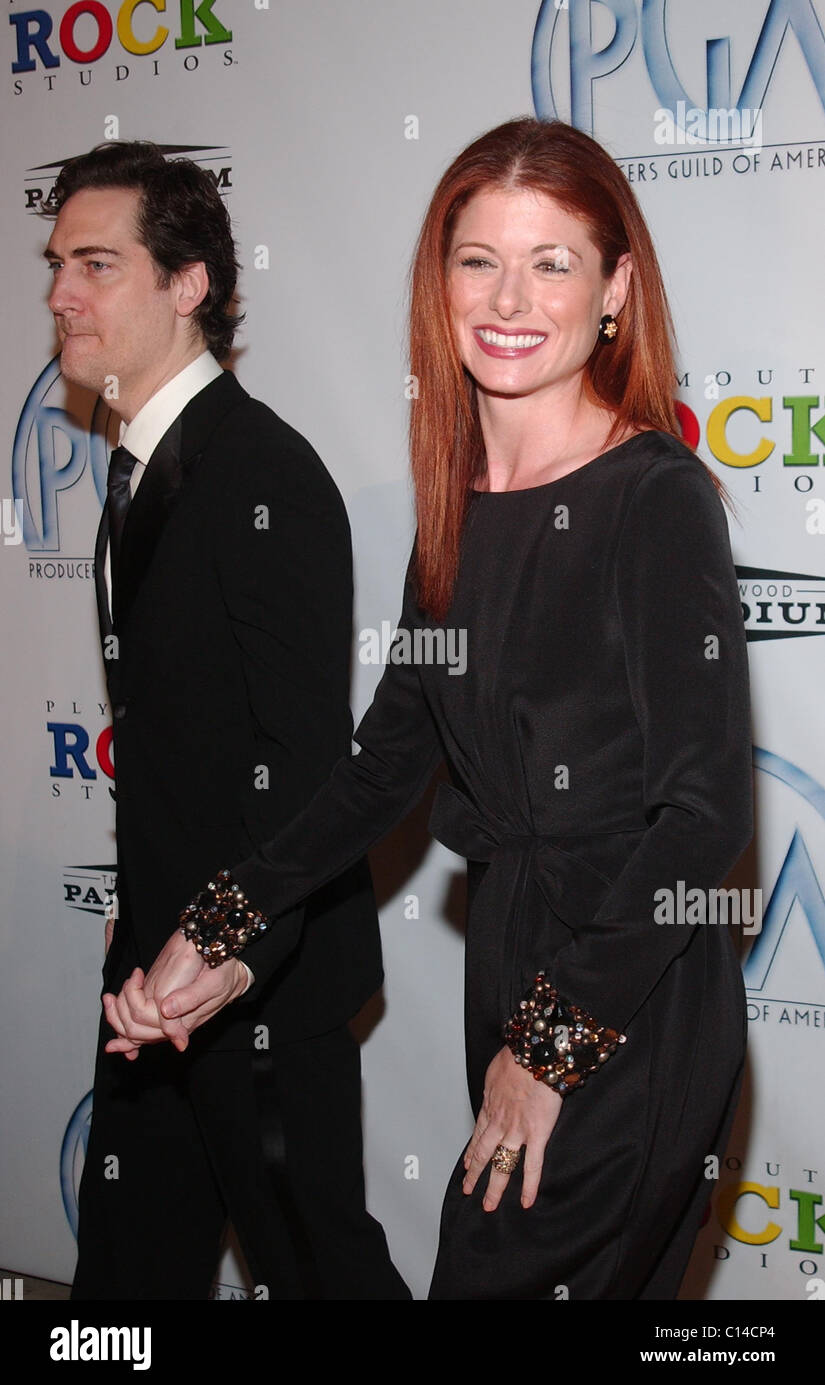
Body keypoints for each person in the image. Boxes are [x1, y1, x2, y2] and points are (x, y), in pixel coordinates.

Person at [106, 119, 753, 1301]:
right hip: (509, 969)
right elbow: (378, 768)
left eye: (552, 261)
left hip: (629, 999)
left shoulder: (656, 499)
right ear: (438, 281)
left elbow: (704, 825)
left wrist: (552, 1050)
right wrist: (222, 923)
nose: (509, 297)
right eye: (477, 259)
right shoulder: (461, 508)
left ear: (615, 290)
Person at [44, 140, 410, 1301]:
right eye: (56, 264)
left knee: (321, 1276)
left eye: (97, 265)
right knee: (123, 1282)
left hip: (259, 988)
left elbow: (306, 772)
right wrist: (144, 938)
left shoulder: (265, 475)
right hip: (153, 988)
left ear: (189, 283)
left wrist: (227, 958)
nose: (60, 293)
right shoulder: (138, 473)